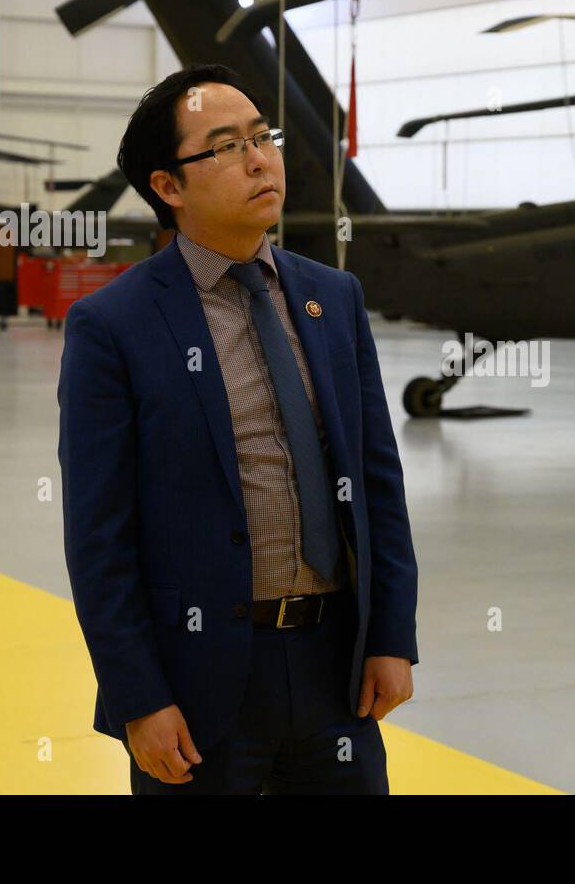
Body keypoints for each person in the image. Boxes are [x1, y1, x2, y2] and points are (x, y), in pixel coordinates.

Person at [59, 64, 418, 794]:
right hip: (198, 686)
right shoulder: (113, 325)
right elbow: (99, 534)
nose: (260, 159)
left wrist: (391, 635)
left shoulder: (332, 297)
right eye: (225, 147)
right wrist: (140, 698)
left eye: (264, 137)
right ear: (168, 187)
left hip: (335, 670)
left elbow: (378, 481)